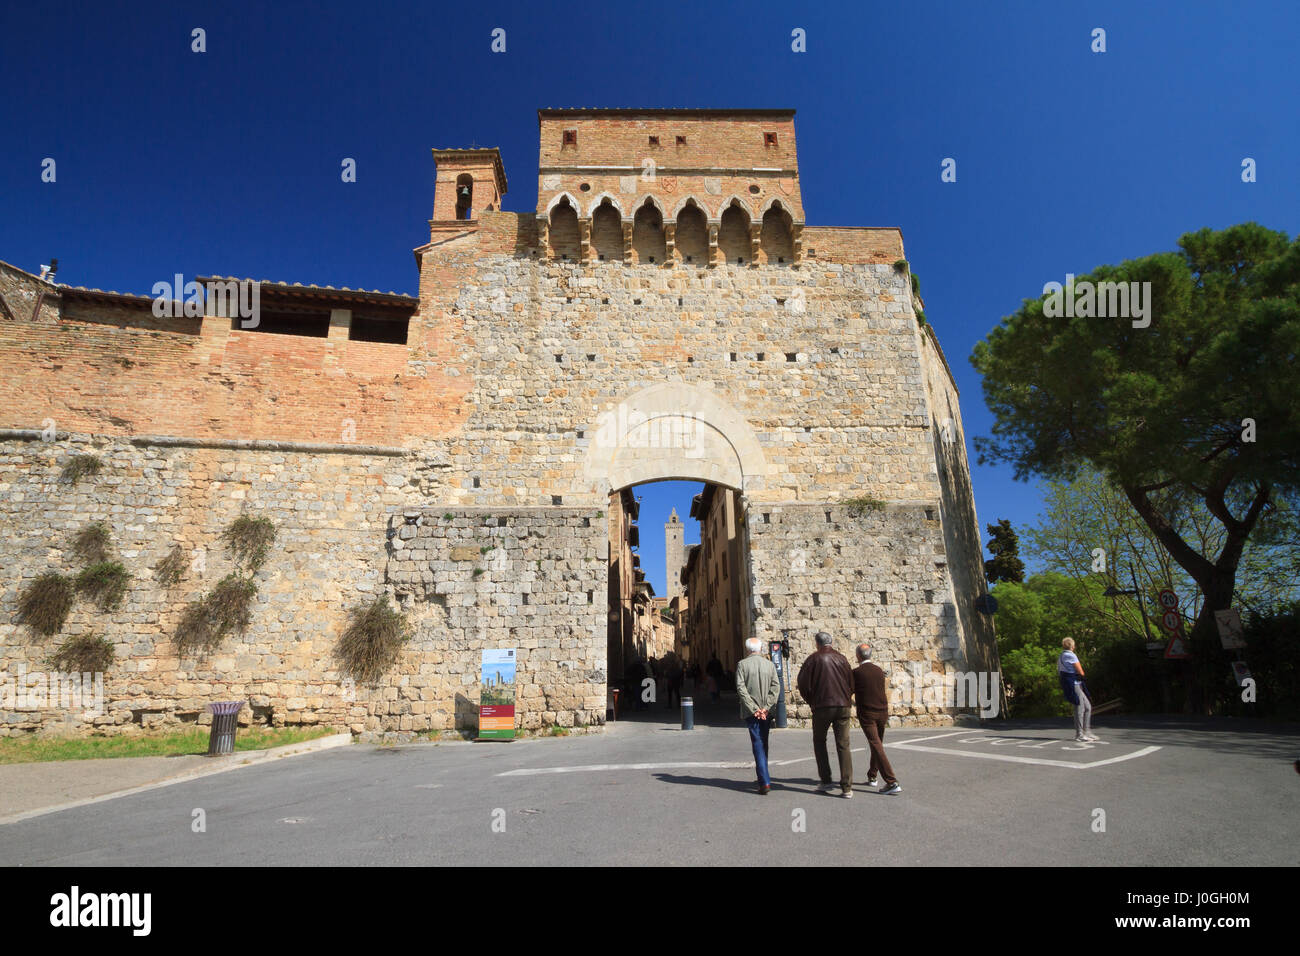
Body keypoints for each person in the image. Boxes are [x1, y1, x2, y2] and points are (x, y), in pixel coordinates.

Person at [796, 631, 855, 798]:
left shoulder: (813, 659)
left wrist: (812, 700)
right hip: (842, 705)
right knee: (843, 744)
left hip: (822, 706)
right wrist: (846, 697)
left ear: (817, 643)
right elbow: (851, 682)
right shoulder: (842, 659)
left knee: (820, 741)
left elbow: (803, 683)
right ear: (831, 642)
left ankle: (826, 779)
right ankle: (847, 786)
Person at [852, 644, 901, 795]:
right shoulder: (879, 670)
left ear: (858, 656)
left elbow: (850, 690)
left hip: (867, 713)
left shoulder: (856, 673)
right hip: (882, 712)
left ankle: (891, 781)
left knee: (876, 744)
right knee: (877, 743)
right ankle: (872, 776)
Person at [736, 638, 782, 795]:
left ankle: (764, 781)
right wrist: (766, 708)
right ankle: (764, 776)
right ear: (760, 648)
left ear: (747, 649)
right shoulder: (769, 665)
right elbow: (776, 686)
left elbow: (741, 689)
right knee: (764, 742)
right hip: (766, 712)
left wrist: (754, 709)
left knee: (757, 743)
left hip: (752, 713)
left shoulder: (742, 665)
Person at [1058, 638, 1098, 742]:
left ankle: (1087, 731)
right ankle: (1079, 734)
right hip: (1075, 684)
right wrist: (1081, 675)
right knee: (1080, 708)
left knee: (1088, 707)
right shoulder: (1071, 655)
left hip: (1072, 683)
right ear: (1072, 646)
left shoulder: (1061, 656)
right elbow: (1080, 671)